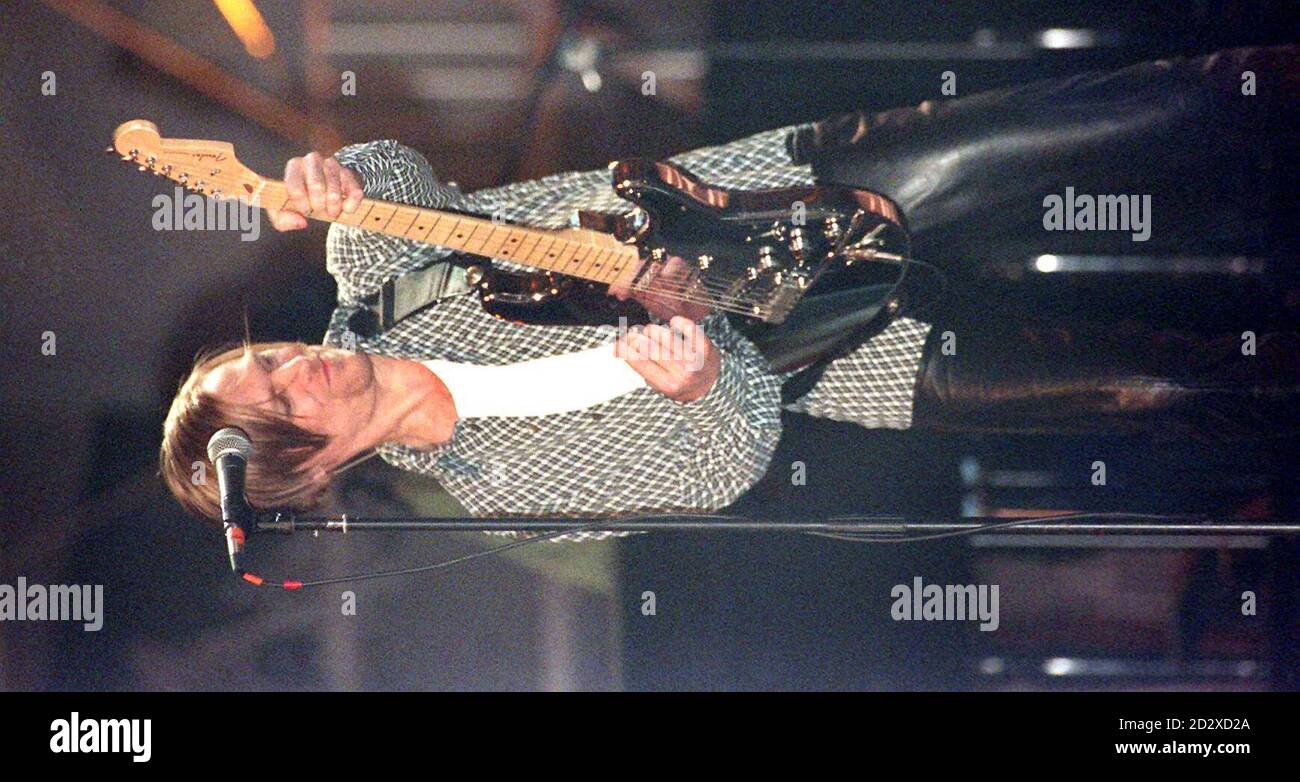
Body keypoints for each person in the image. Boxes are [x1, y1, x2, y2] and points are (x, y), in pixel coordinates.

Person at [161, 46, 1298, 539]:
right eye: (280, 405)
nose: (292, 368)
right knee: (1161, 385)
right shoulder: (495, 477)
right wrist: (701, 375)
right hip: (853, 354)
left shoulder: (368, 274)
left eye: (259, 358)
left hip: (800, 192)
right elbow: (720, 462)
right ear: (310, 468)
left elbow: (411, 181)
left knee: (1132, 118)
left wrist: (346, 180)